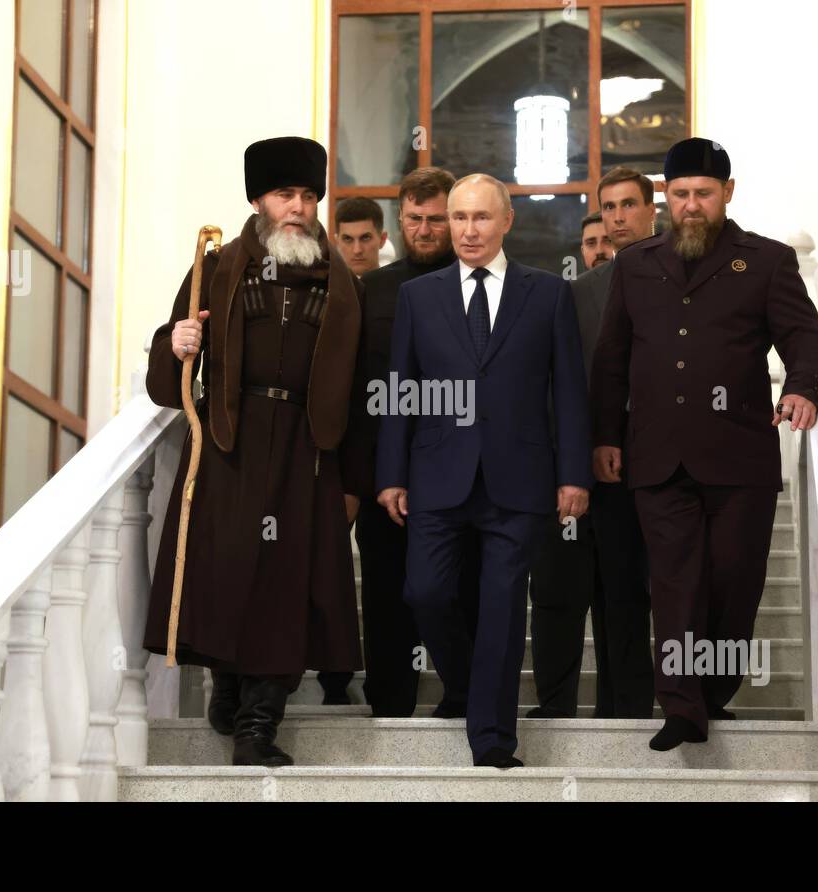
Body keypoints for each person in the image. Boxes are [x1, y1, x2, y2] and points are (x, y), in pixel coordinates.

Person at [142, 136, 371, 767]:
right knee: (226, 578)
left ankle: (258, 728)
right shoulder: (216, 268)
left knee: (286, 588)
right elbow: (167, 384)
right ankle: (229, 688)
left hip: (307, 451)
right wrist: (177, 341)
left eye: (305, 195)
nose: (296, 207)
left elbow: (359, 389)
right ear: (256, 199)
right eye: (282, 195)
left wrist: (352, 477)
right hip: (229, 447)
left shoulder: (341, 281)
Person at [591, 137, 818, 751]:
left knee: (733, 582)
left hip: (739, 459)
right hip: (657, 457)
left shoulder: (768, 261)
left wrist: (802, 387)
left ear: (727, 193)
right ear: (666, 197)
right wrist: (604, 437)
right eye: (680, 194)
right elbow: (611, 359)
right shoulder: (635, 263)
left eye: (703, 193)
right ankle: (681, 705)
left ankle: (715, 688)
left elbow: (802, 336)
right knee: (673, 582)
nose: (691, 205)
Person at [376, 174, 592, 768]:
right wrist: (391, 474)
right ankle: (471, 688)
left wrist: (573, 474)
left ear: (506, 223)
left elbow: (569, 392)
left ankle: (493, 738)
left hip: (519, 479)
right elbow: (402, 390)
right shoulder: (419, 298)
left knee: (501, 605)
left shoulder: (548, 294)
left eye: (479, 218)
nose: (466, 230)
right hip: (436, 475)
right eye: (457, 218)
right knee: (425, 592)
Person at [348, 167, 481, 717]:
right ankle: (389, 702)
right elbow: (355, 391)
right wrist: (359, 477)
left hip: (465, 470)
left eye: (435, 220)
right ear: (399, 222)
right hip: (386, 470)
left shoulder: (481, 287)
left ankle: (461, 693)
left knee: (461, 589)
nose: (426, 230)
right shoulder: (368, 290)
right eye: (415, 220)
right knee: (384, 591)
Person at [528, 167, 658, 720]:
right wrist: (567, 466)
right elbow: (555, 383)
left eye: (627, 208)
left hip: (643, 469)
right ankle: (555, 706)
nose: (615, 224)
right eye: (607, 212)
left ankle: (626, 709)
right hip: (572, 467)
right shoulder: (572, 297)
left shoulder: (674, 283)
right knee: (557, 593)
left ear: (653, 211)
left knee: (625, 595)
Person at [334, 196, 390, 277]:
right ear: (337, 242)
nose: (357, 250)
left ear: (382, 239)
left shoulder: (400, 288)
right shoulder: (326, 288)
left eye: (365, 238)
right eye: (348, 239)